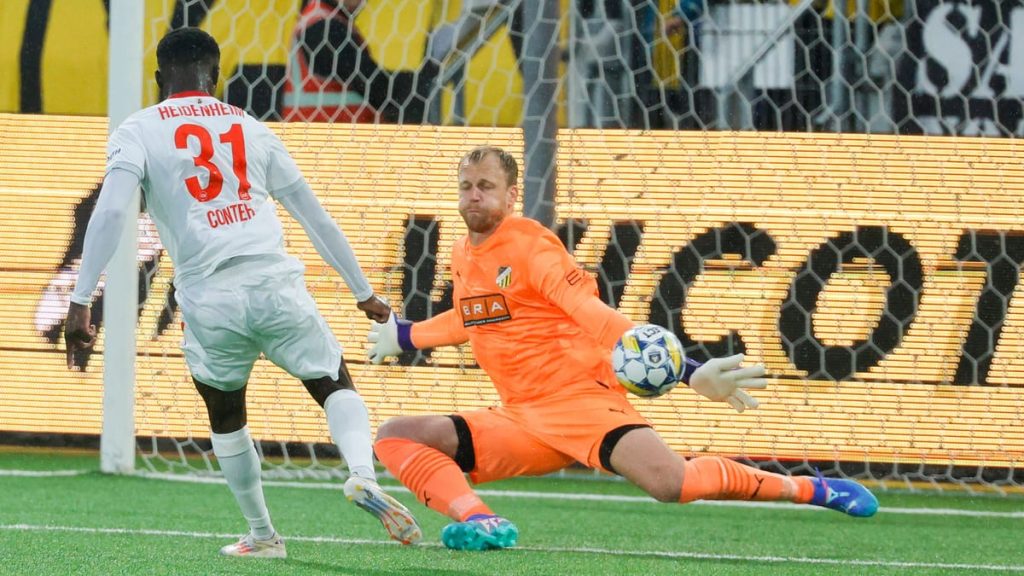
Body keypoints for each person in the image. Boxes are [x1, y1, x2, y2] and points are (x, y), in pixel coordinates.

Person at [366, 146, 879, 551]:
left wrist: (690, 370)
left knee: (672, 484)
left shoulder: (532, 245)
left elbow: (591, 313)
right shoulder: (462, 251)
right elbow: (473, 316)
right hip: (521, 417)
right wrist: (406, 335)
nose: (474, 196)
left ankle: (813, 489)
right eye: (466, 187)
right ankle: (481, 521)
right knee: (398, 436)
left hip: (582, 402)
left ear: (512, 194)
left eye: (486, 186)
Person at [64, 27, 422, 558]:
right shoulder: (251, 128)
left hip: (209, 298)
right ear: (218, 72)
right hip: (274, 281)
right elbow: (313, 215)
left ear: (159, 77)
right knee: (332, 381)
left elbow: (114, 211)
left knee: (226, 412)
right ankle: (362, 473)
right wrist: (363, 291)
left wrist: (80, 301)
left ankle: (262, 535)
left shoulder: (137, 130)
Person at [283, 0, 436, 123]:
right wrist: (422, 81)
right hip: (323, 142)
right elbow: (376, 86)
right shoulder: (323, 28)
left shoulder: (325, 20)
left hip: (330, 139)